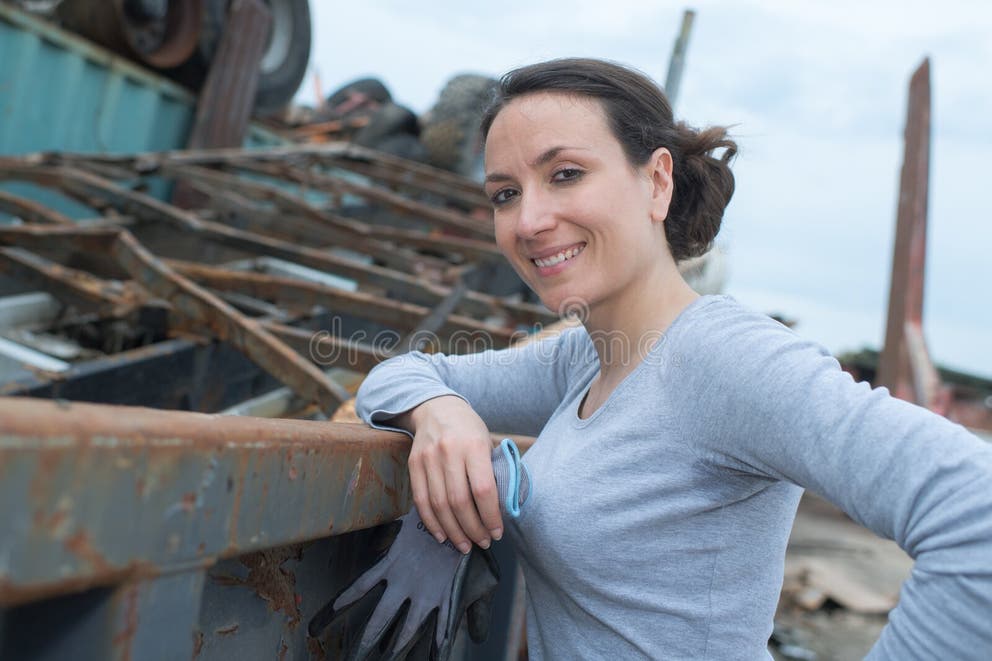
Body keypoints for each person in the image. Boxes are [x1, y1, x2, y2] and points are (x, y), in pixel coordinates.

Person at [355, 58, 992, 659]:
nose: (529, 220)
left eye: (566, 174)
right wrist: (438, 413)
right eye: (504, 194)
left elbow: (977, 516)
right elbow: (395, 373)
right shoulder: (584, 360)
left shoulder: (723, 358)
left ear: (657, 182)